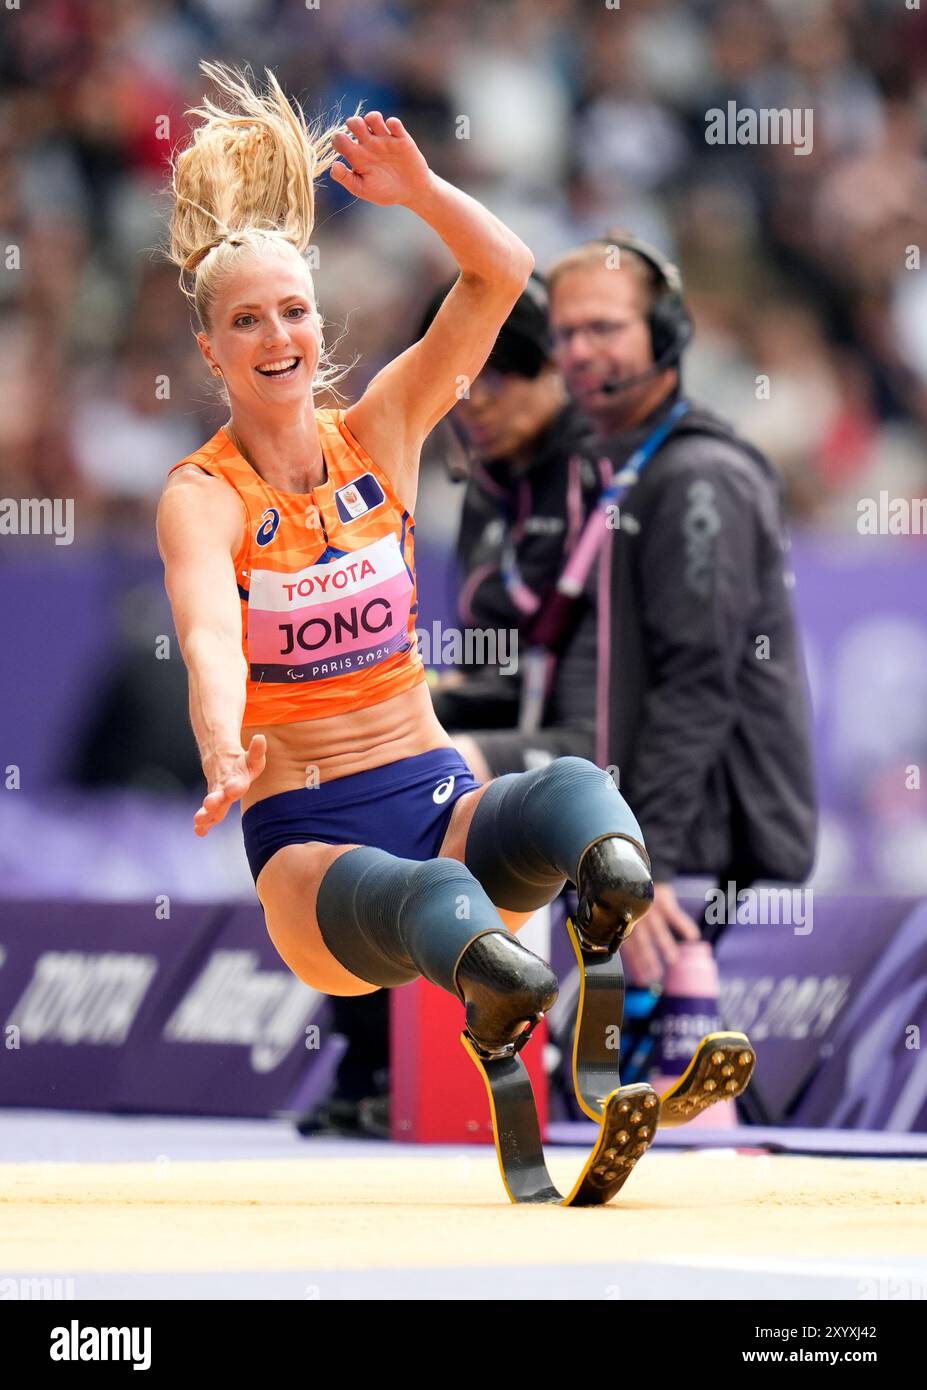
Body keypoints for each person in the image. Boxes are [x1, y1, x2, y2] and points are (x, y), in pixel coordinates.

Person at [155, 66, 657, 1172]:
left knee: (585, 796)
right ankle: (498, 1002)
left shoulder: (380, 431)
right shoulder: (202, 492)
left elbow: (506, 272)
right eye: (247, 321)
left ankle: (587, 961)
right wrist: (221, 737)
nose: (278, 335)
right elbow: (203, 633)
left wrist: (423, 190)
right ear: (213, 350)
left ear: (318, 319)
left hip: (436, 797)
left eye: (293, 310)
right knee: (443, 894)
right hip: (314, 854)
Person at [545, 230, 818, 997]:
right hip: (651, 853)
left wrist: (642, 862)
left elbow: (696, 683)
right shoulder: (614, 472)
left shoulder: (698, 477)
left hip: (705, 868)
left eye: (603, 328)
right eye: (565, 333)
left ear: (665, 335)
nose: (578, 351)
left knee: (655, 1093)